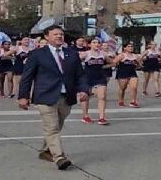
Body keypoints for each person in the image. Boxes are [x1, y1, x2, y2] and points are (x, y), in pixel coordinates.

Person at [16, 25, 88, 170]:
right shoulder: (37, 54)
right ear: (47, 37)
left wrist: (84, 90)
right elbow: (27, 77)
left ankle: (47, 150)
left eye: (61, 34)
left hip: (66, 96)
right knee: (52, 127)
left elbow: (80, 75)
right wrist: (23, 96)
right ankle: (59, 157)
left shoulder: (71, 54)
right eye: (55, 34)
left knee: (57, 125)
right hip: (45, 96)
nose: (59, 36)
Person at [79, 37, 113, 125]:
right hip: (87, 77)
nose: (96, 44)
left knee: (102, 97)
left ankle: (102, 118)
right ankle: (85, 116)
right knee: (85, 97)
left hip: (100, 77)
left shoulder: (103, 54)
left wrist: (104, 67)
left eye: (98, 43)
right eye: (94, 42)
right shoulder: (85, 54)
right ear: (90, 44)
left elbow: (112, 62)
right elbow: (74, 62)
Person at [113, 41, 141, 108]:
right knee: (123, 88)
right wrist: (116, 65)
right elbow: (114, 62)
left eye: (131, 46)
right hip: (122, 73)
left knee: (134, 87)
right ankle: (121, 100)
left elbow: (139, 66)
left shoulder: (135, 56)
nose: (131, 48)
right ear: (125, 48)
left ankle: (133, 101)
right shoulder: (122, 55)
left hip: (132, 73)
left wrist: (138, 64)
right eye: (129, 46)